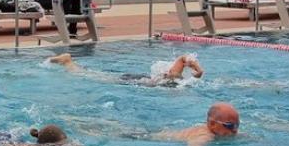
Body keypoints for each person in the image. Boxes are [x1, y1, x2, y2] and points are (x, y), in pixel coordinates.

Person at [48, 52, 203, 86]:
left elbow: (185, 61)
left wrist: (198, 70)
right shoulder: (174, 77)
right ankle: (68, 62)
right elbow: (183, 58)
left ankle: (69, 63)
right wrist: (198, 68)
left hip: (139, 78)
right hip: (136, 80)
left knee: (93, 75)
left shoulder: (179, 80)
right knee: (91, 77)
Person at [155, 102, 239, 146]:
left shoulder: (226, 131)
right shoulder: (204, 135)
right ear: (212, 124)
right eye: (230, 126)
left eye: (237, 125)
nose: (235, 130)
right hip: (157, 137)